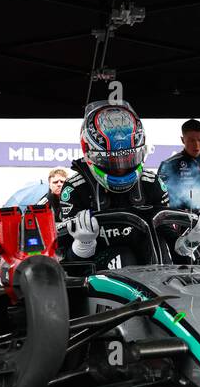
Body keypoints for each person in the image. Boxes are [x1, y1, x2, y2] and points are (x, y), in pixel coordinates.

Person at [58, 100, 168, 268]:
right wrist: (83, 246)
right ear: (89, 153)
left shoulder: (151, 183)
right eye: (112, 161)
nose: (121, 168)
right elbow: (64, 262)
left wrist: (189, 242)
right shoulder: (75, 189)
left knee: (158, 245)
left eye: (128, 159)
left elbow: (172, 242)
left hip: (156, 276)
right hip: (99, 276)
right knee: (124, 257)